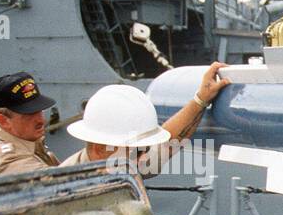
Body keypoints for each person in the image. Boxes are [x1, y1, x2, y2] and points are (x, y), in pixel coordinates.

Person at [61, 63, 231, 202]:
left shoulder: (116, 162)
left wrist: (201, 99)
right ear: (100, 149)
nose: (144, 159)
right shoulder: (64, 196)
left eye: (145, 150)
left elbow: (168, 144)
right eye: (138, 151)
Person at [0, 71, 61, 176]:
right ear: (4, 121)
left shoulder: (29, 142)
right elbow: (56, 182)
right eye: (29, 115)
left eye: (40, 111)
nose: (41, 120)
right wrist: (88, 151)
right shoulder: (6, 163)